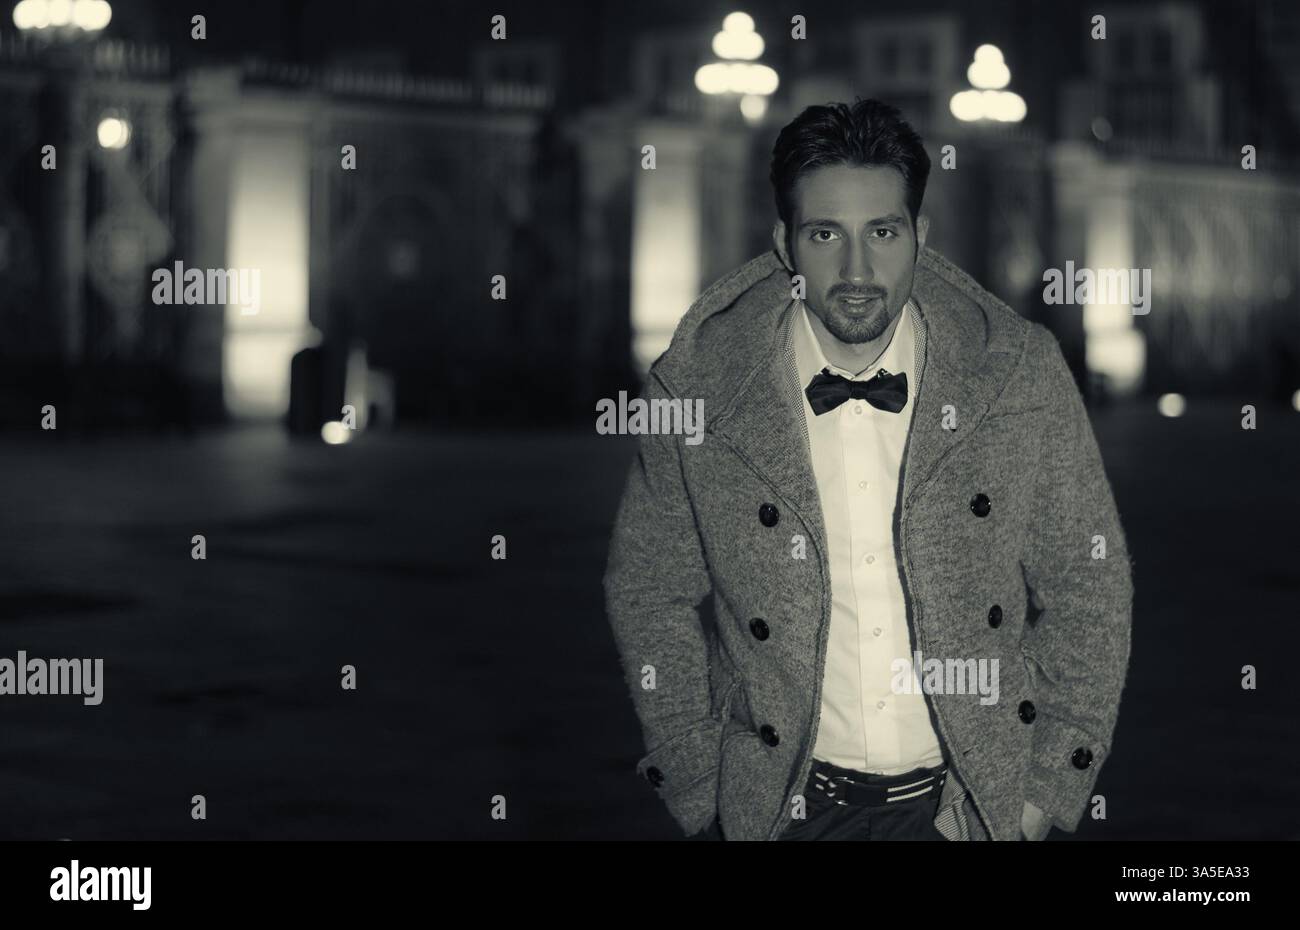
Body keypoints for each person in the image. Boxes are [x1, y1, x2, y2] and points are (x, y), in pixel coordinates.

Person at [603, 98, 1134, 841]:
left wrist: (1035, 797)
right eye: (827, 235)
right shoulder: (698, 392)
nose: (858, 270)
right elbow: (647, 589)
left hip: (971, 807)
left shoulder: (1018, 375)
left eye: (882, 232)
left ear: (919, 235)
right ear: (785, 244)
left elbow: (1090, 583)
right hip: (780, 810)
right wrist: (703, 788)